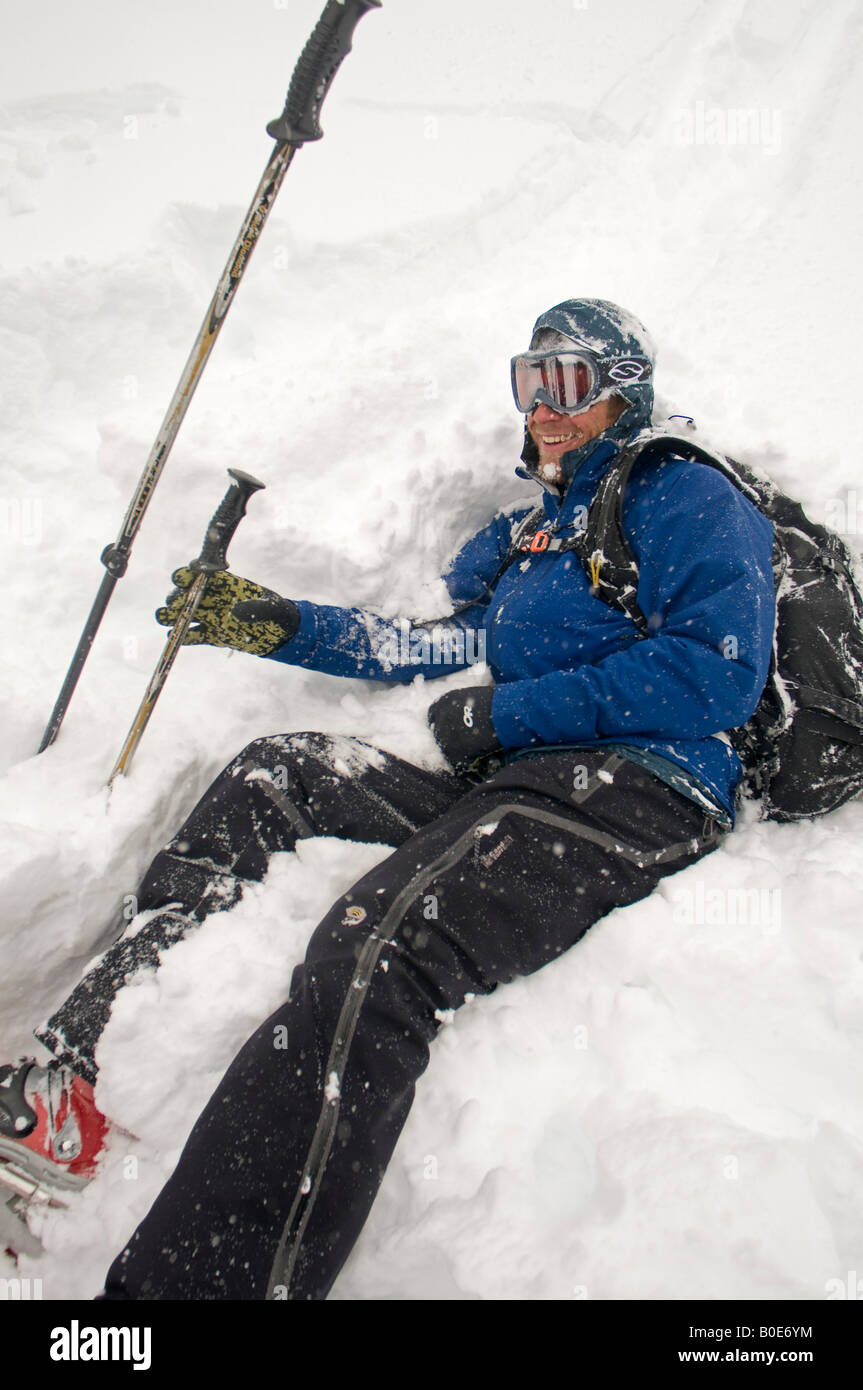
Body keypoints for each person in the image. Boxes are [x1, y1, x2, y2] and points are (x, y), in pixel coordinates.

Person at [0, 298, 776, 1300]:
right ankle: (65, 1085)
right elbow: (433, 645)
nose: (542, 404)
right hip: (514, 778)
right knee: (275, 775)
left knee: (377, 948)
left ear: (623, 394)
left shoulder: (678, 490)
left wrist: (502, 717)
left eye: (570, 380)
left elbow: (718, 673)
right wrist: (278, 624)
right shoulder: (539, 534)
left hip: (635, 786)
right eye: (527, 379)